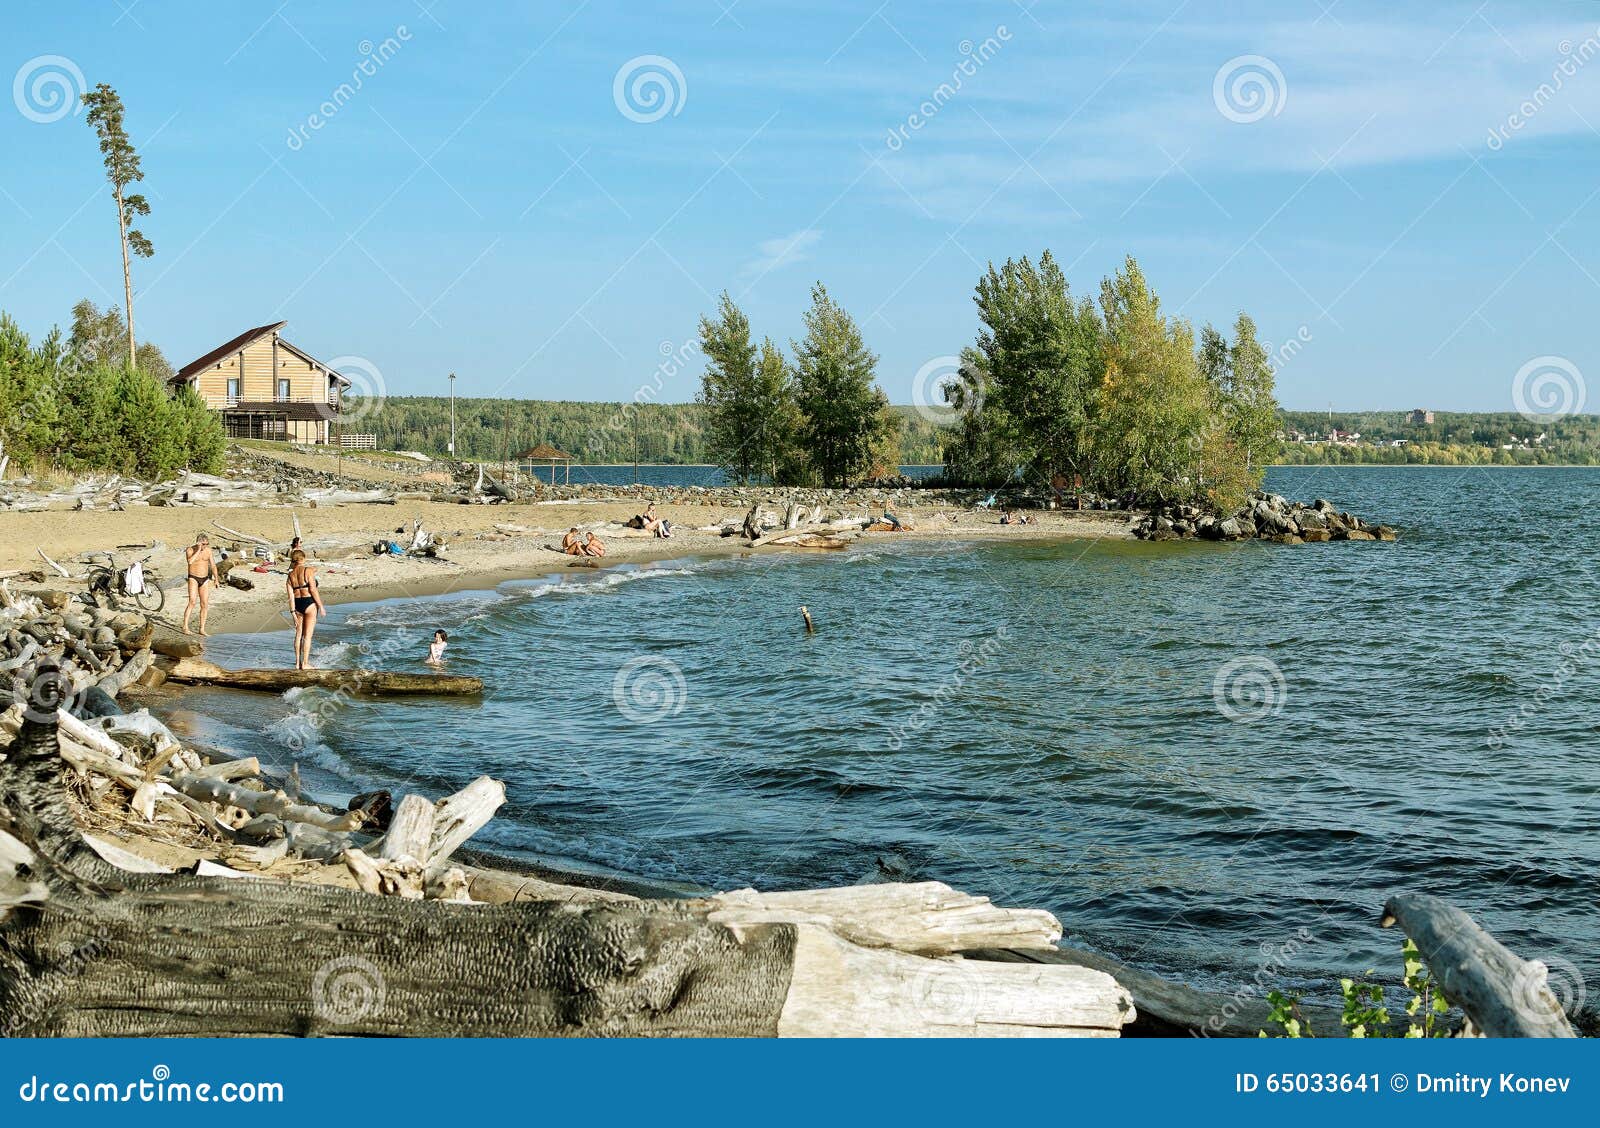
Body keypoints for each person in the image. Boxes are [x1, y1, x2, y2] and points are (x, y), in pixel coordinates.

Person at [286, 549, 327, 670]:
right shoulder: (307, 571)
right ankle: (305, 663)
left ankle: (297, 663)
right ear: (303, 559)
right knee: (307, 636)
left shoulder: (290, 575)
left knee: (298, 635)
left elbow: (290, 597)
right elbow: (313, 590)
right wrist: (321, 606)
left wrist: (293, 613)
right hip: (309, 603)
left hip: (297, 605)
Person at [182, 534, 216, 636]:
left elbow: (213, 565)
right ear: (198, 542)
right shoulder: (190, 550)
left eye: (207, 544)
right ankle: (185, 627)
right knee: (192, 601)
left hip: (205, 579)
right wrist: (198, 549)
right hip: (193, 577)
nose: (205, 546)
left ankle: (202, 629)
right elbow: (190, 562)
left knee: (204, 604)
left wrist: (216, 579)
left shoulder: (208, 551)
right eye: (203, 544)